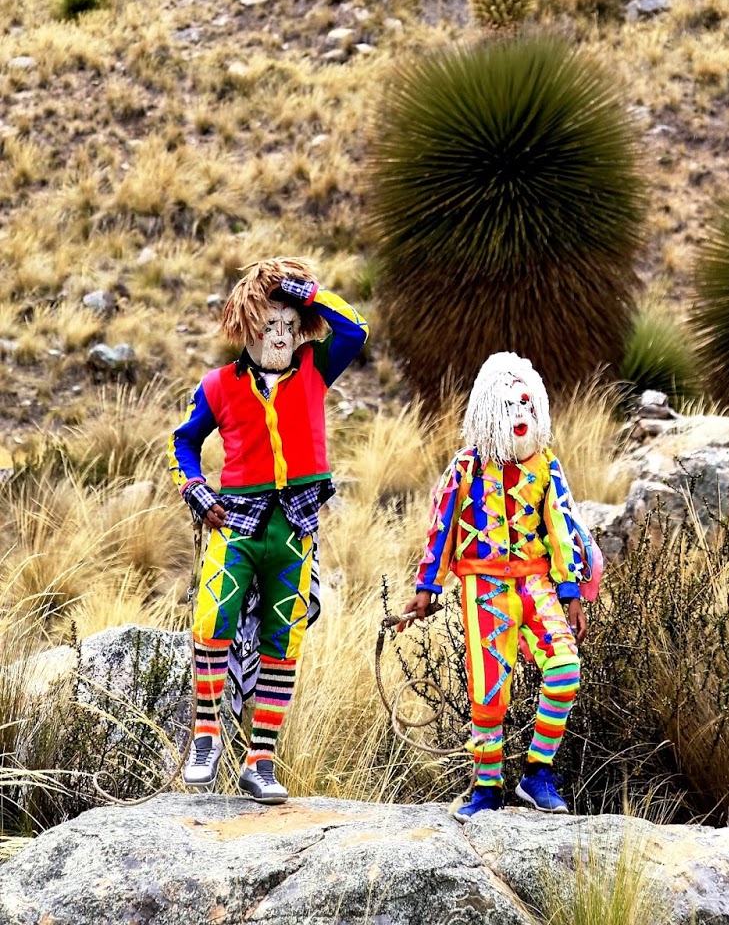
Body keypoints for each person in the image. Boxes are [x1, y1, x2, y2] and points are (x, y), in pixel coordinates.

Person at [169, 258, 367, 803]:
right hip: (234, 521)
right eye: (268, 324)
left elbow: (356, 329)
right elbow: (183, 441)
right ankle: (206, 736)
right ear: (247, 328)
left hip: (296, 525)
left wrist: (309, 292)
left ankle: (260, 761)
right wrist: (195, 489)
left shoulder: (316, 367)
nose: (280, 335)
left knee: (284, 639)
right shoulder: (218, 386)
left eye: (288, 325)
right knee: (212, 620)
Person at [401, 352, 589, 819]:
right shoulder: (465, 467)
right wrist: (427, 587)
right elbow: (441, 526)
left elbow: (561, 527)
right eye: (508, 406)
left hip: (536, 585)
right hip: (483, 588)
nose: (520, 415)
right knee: (488, 694)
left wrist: (571, 592)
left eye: (526, 404)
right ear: (487, 412)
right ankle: (486, 789)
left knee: (565, 668)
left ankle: (536, 774)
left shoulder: (546, 467)